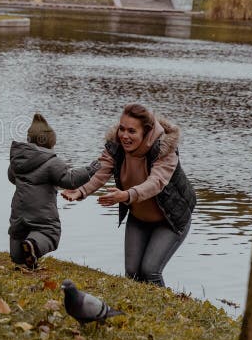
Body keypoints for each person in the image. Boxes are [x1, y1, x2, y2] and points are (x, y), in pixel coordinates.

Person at [61, 103, 197, 287]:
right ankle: (139, 304)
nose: (124, 135)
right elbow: (101, 171)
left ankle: (163, 305)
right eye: (122, 129)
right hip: (139, 217)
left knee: (150, 271)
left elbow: (155, 183)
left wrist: (126, 195)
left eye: (132, 131)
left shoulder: (165, 149)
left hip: (170, 219)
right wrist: (81, 190)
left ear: (146, 132)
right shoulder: (116, 146)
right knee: (132, 273)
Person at [8, 114, 98, 269]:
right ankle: (33, 245)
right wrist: (89, 171)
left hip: (19, 210)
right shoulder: (52, 162)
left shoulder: (17, 160)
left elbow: (11, 178)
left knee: (18, 232)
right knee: (50, 232)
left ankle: (18, 255)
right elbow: (69, 180)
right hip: (41, 211)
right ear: (49, 143)